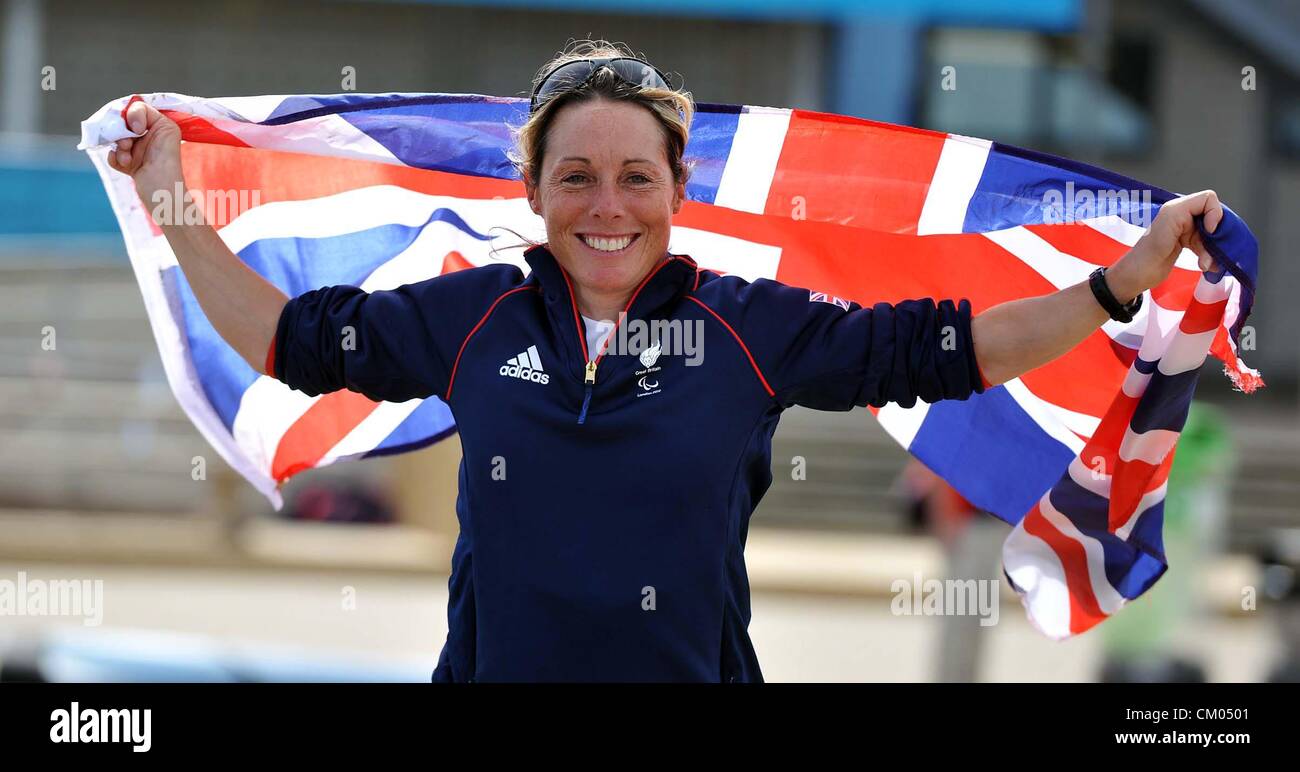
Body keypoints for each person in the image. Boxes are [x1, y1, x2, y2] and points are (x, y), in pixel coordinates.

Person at [107, 40, 1227, 682]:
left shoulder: (752, 326)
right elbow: (280, 338)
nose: (607, 204)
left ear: (677, 192)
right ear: (532, 191)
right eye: (576, 175)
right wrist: (170, 196)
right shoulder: (470, 319)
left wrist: (1119, 282)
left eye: (635, 176)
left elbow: (957, 348)